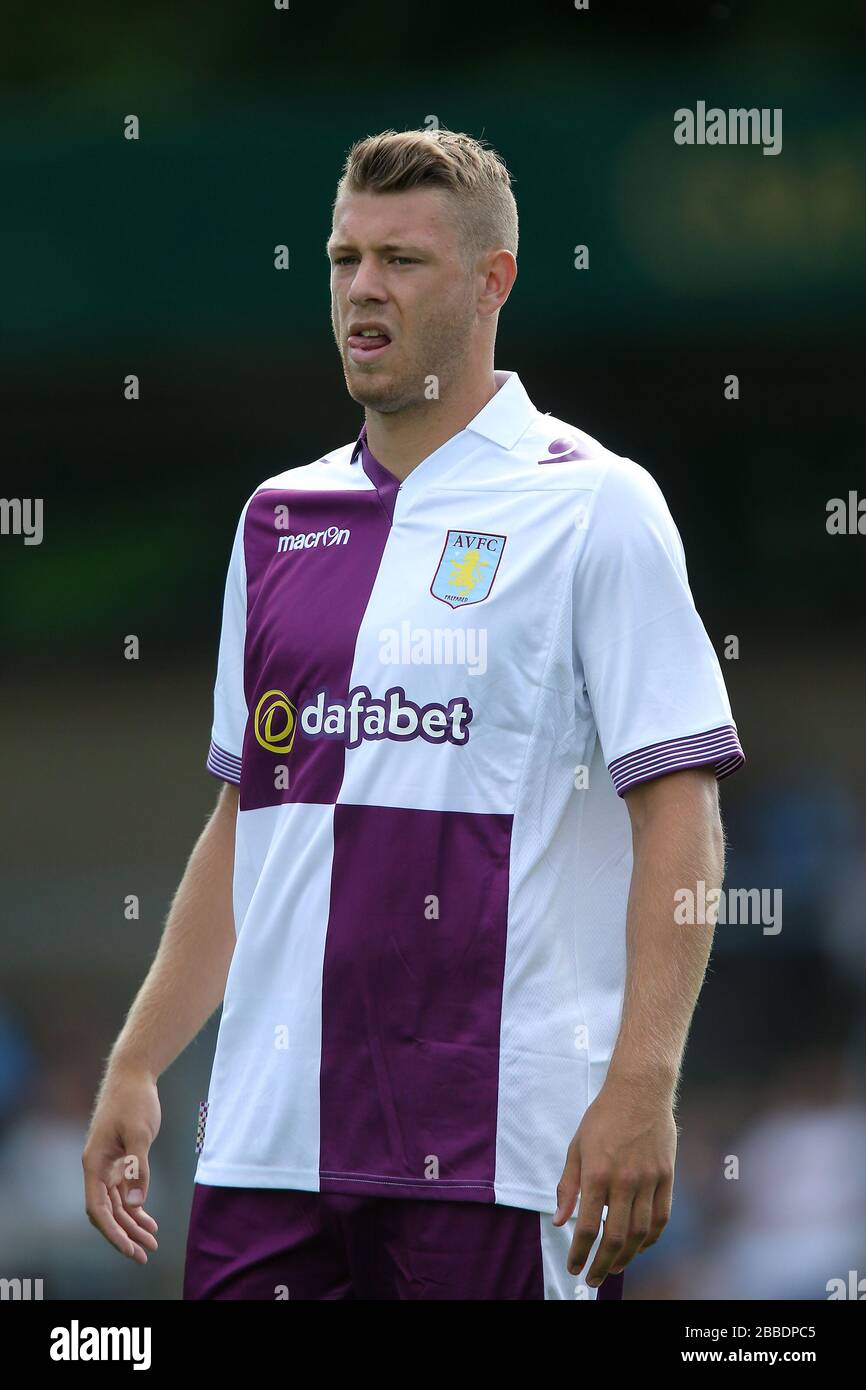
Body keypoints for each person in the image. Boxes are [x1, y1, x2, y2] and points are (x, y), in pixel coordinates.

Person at [83, 127, 744, 1301]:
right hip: (267, 1147)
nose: (360, 291)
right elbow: (248, 818)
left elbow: (678, 811)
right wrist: (138, 1060)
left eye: (401, 260)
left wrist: (641, 1083)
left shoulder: (593, 504)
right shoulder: (276, 518)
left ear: (491, 281)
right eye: (343, 260)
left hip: (500, 1150)